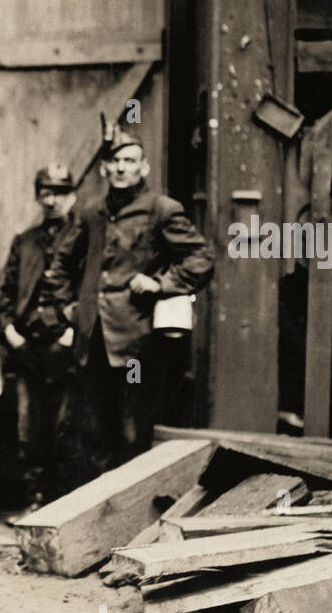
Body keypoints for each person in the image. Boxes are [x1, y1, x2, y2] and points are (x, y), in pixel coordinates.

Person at [46, 131, 213, 476]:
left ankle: (133, 514)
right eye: (115, 161)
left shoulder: (161, 209)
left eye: (130, 161)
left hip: (138, 341)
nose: (122, 168)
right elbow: (62, 263)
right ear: (105, 168)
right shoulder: (91, 212)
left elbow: (202, 256)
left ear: (144, 167)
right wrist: (67, 308)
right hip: (92, 341)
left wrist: (161, 283)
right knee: (93, 428)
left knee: (134, 429)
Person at [0, 162, 86, 521]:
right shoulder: (25, 241)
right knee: (28, 430)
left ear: (73, 196)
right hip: (28, 349)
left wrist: (72, 328)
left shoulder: (85, 237)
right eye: (46, 192)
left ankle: (63, 507)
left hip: (66, 347)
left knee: (66, 428)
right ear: (38, 196)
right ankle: (34, 501)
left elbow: (93, 289)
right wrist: (8, 330)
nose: (53, 200)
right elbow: (5, 293)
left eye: (60, 193)